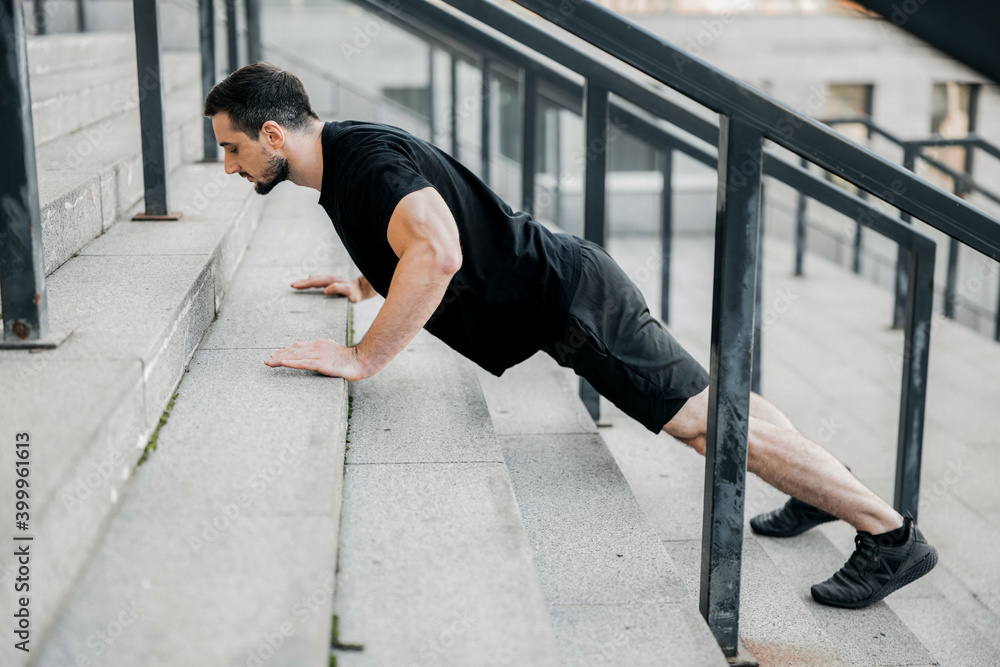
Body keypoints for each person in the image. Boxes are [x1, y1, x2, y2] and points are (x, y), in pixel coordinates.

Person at [203, 63, 937, 609]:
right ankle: (821, 486)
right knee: (712, 404)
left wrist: (365, 357)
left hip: (571, 305)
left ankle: (889, 536)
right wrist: (366, 282)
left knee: (702, 425)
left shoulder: (364, 165)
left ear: (273, 133)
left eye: (234, 150)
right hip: (569, 285)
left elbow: (439, 250)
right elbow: (422, 230)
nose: (231, 167)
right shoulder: (349, 154)